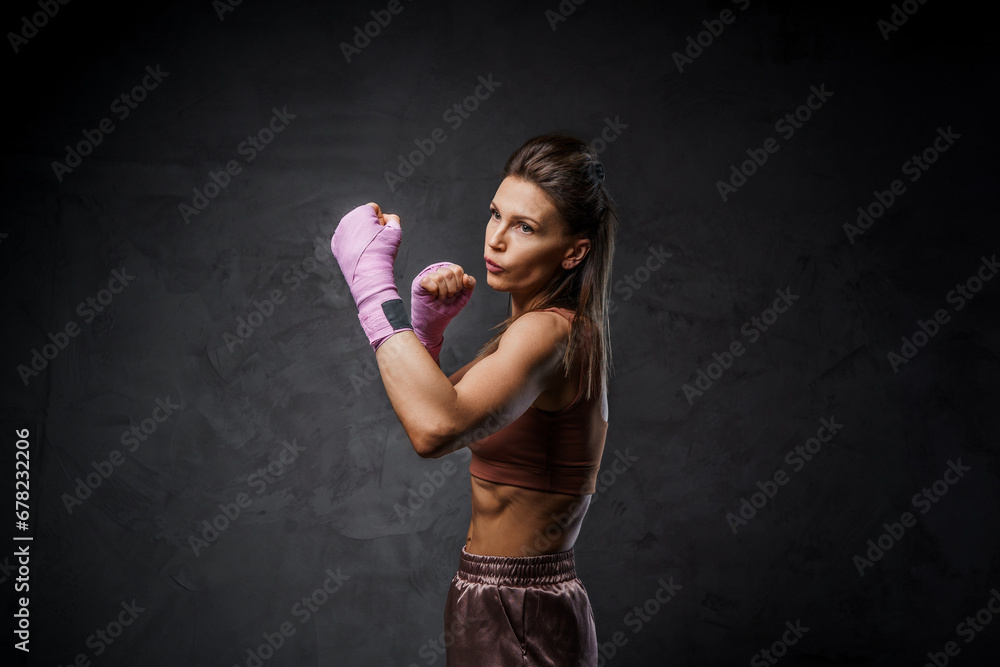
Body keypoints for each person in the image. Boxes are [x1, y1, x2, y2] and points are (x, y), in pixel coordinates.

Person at [331, 133, 619, 666]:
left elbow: (434, 429)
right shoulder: (530, 333)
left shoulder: (550, 334)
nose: (497, 239)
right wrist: (427, 332)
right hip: (502, 596)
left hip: (519, 605)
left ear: (574, 251)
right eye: (495, 215)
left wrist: (372, 285)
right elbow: (438, 409)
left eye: (525, 227)